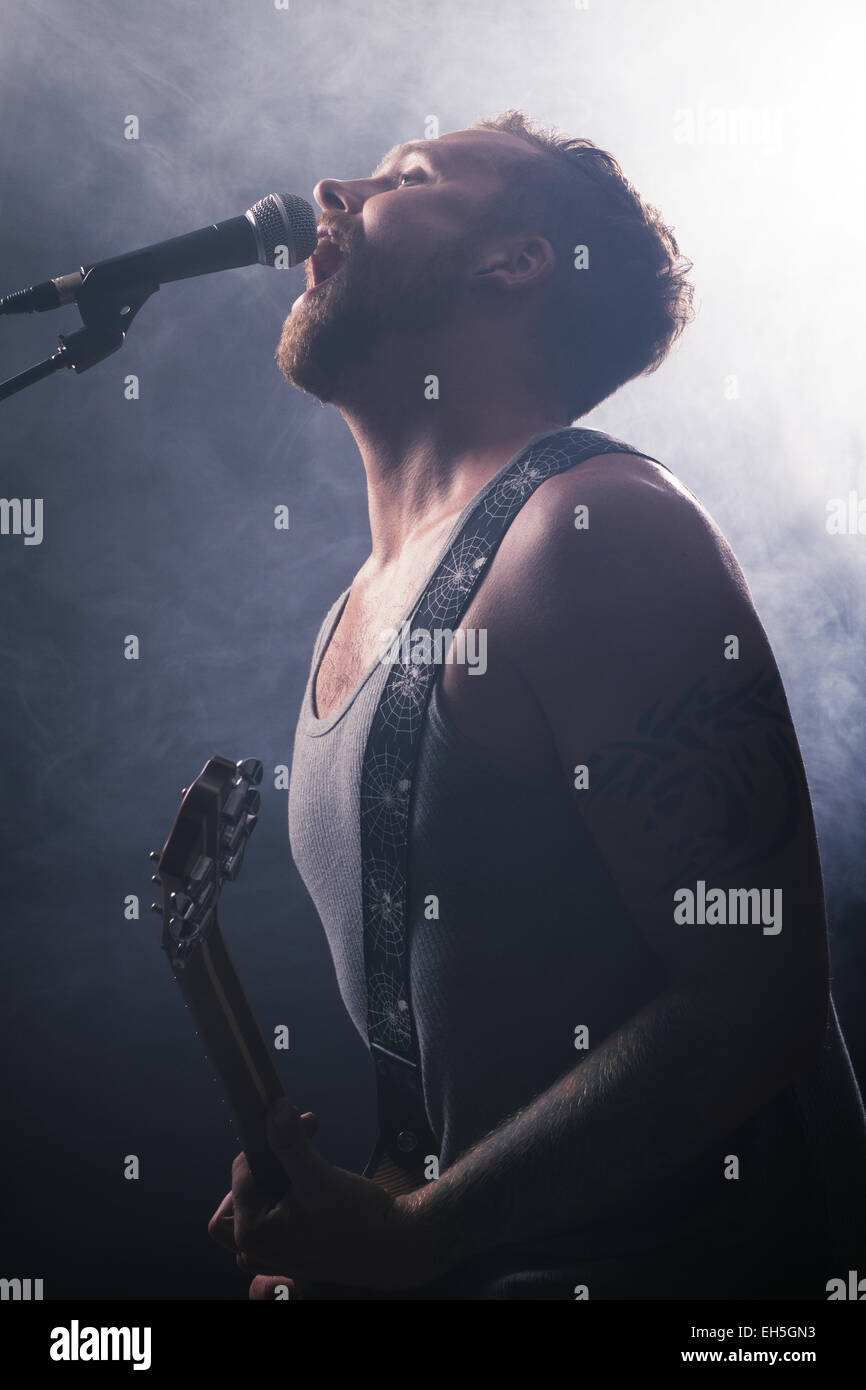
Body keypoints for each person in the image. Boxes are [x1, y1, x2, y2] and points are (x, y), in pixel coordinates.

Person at [207, 110, 866, 1299]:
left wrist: (418, 1237)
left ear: (510, 262)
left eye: (406, 176)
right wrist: (351, 1233)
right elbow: (467, 1096)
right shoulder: (348, 616)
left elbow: (755, 999)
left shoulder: (590, 529)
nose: (333, 188)